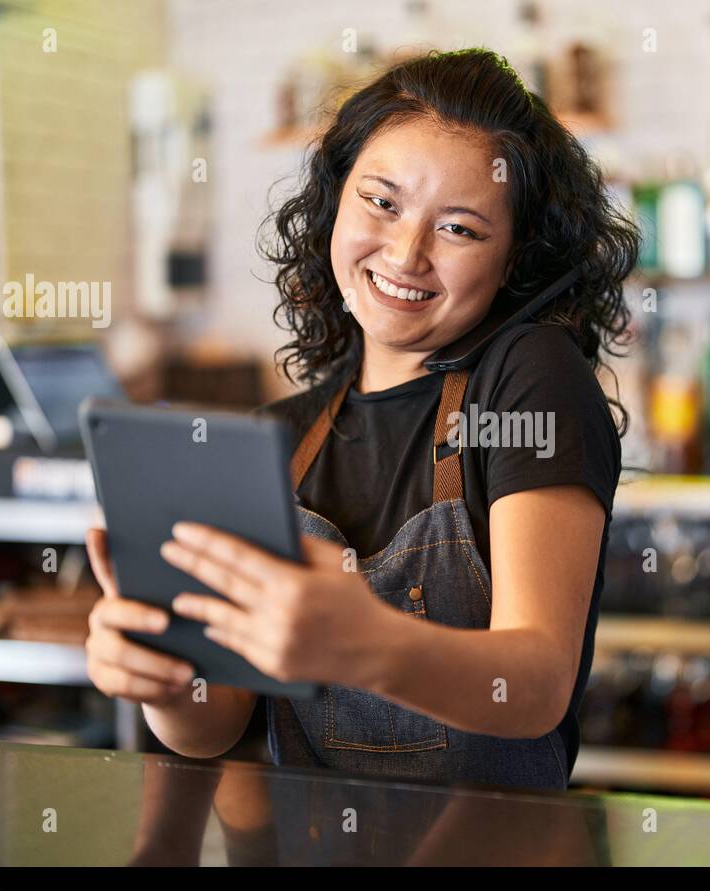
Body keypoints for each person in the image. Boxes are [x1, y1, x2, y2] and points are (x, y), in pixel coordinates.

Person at [84, 48, 639, 789]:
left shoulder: (529, 379)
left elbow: (534, 681)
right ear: (335, 200)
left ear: (513, 261)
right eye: (382, 202)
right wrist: (161, 676)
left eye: (461, 229)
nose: (407, 253)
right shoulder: (279, 437)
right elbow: (212, 726)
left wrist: (366, 643)